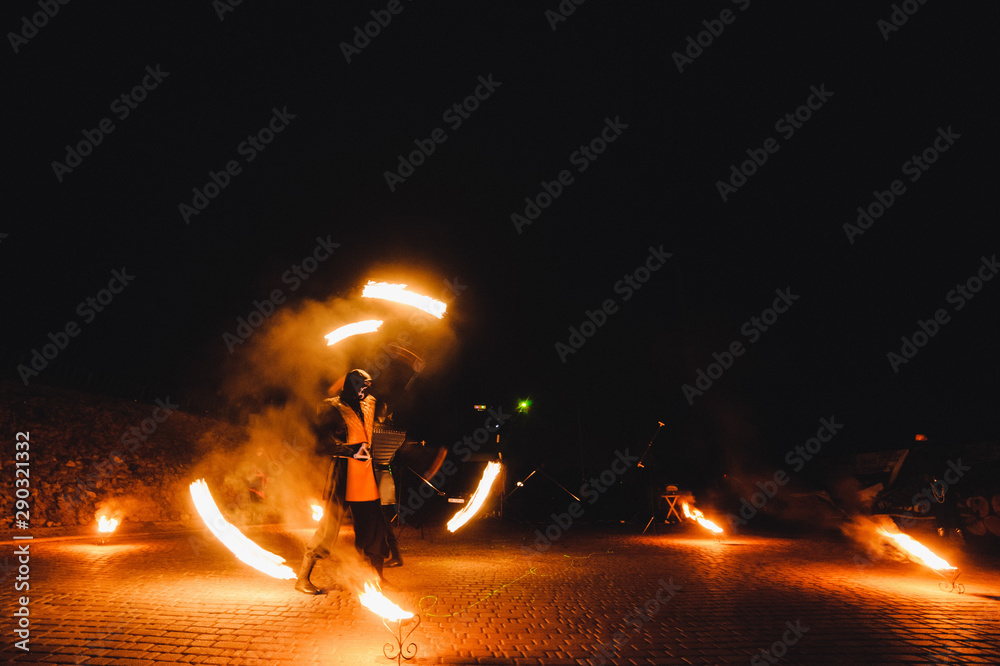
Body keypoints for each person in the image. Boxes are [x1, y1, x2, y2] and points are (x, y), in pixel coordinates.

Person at [295, 369, 389, 594]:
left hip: (365, 474)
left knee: (374, 526)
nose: (365, 390)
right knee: (329, 527)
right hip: (342, 473)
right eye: (361, 385)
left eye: (368, 386)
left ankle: (377, 577)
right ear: (350, 385)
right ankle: (302, 579)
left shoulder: (369, 404)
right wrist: (350, 450)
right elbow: (319, 445)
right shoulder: (331, 408)